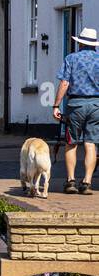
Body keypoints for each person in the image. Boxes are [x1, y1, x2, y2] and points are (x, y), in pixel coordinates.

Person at [54, 26, 99, 195]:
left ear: (80, 43)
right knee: (91, 143)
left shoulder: (71, 59)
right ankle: (87, 182)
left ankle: (71, 181)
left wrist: (56, 105)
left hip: (76, 105)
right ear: (94, 44)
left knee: (71, 142)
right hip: (96, 105)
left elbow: (64, 83)